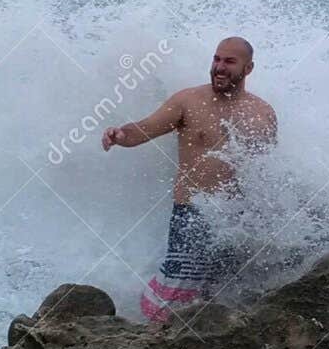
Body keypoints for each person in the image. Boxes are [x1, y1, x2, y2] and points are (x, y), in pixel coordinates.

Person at [101, 36, 277, 321]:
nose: (220, 67)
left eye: (230, 62)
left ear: (248, 68)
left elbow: (268, 174)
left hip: (236, 220)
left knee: (221, 296)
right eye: (216, 59)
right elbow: (146, 128)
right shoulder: (188, 100)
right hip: (192, 214)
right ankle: (148, 329)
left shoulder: (261, 113)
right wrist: (121, 135)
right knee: (173, 301)